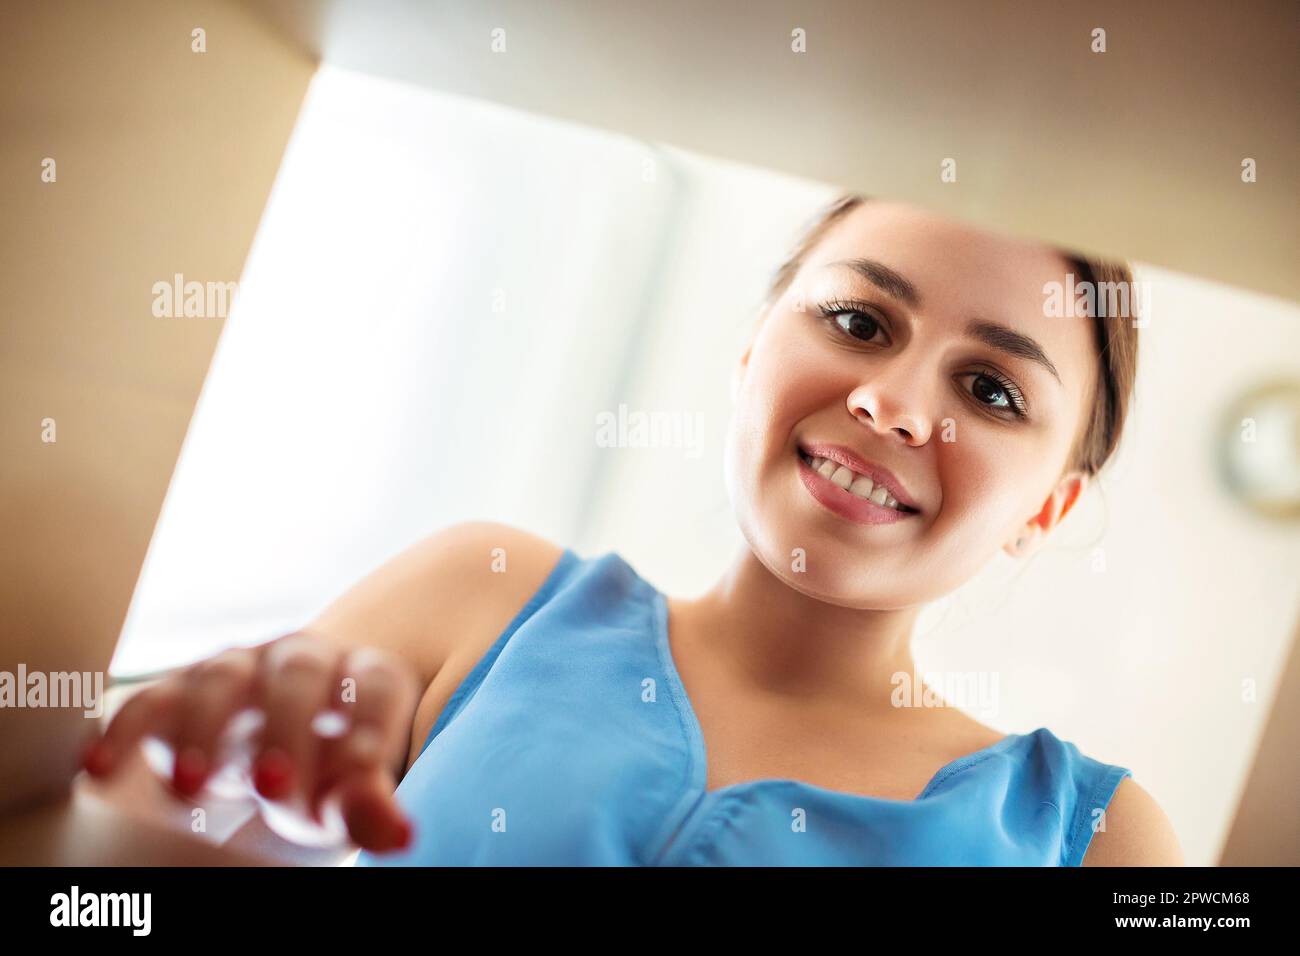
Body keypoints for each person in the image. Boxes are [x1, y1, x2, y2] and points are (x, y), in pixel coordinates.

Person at [84, 195, 1184, 865]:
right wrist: (176, 817)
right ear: (753, 348)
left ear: (1046, 507)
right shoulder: (482, 591)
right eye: (856, 320)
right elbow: (96, 883)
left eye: (991, 389)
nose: (891, 403)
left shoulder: (1093, 839)